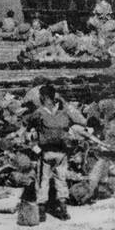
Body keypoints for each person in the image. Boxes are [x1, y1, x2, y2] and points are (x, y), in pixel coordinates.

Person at [28, 84, 76, 219]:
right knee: (61, 180)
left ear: (42, 97)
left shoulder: (39, 113)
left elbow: (29, 129)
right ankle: (64, 211)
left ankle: (42, 212)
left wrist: (35, 148)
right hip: (62, 152)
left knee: (43, 180)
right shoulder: (63, 113)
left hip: (46, 152)